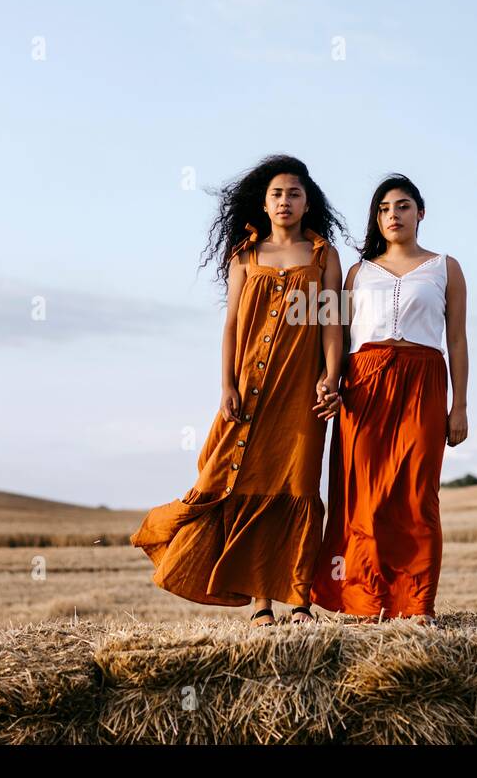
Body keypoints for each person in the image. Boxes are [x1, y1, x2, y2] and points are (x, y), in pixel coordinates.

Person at [131, 154, 346, 626]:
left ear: (308, 202)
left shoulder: (324, 255)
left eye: (293, 193)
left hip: (301, 390)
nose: (285, 201)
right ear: (264, 204)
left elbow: (332, 321)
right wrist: (226, 384)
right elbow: (230, 325)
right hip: (250, 390)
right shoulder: (245, 256)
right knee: (245, 484)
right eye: (276, 194)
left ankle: (299, 599)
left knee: (299, 486)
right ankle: (262, 603)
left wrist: (331, 378)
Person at [310, 173, 468, 625]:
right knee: (363, 497)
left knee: (419, 495)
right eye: (383, 209)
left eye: (401, 206)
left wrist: (460, 406)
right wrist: (331, 381)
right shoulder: (358, 272)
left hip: (423, 381)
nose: (392, 215)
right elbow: (335, 334)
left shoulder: (446, 267)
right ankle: (365, 604)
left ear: (420, 213)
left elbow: (456, 340)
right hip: (364, 384)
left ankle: (416, 606)